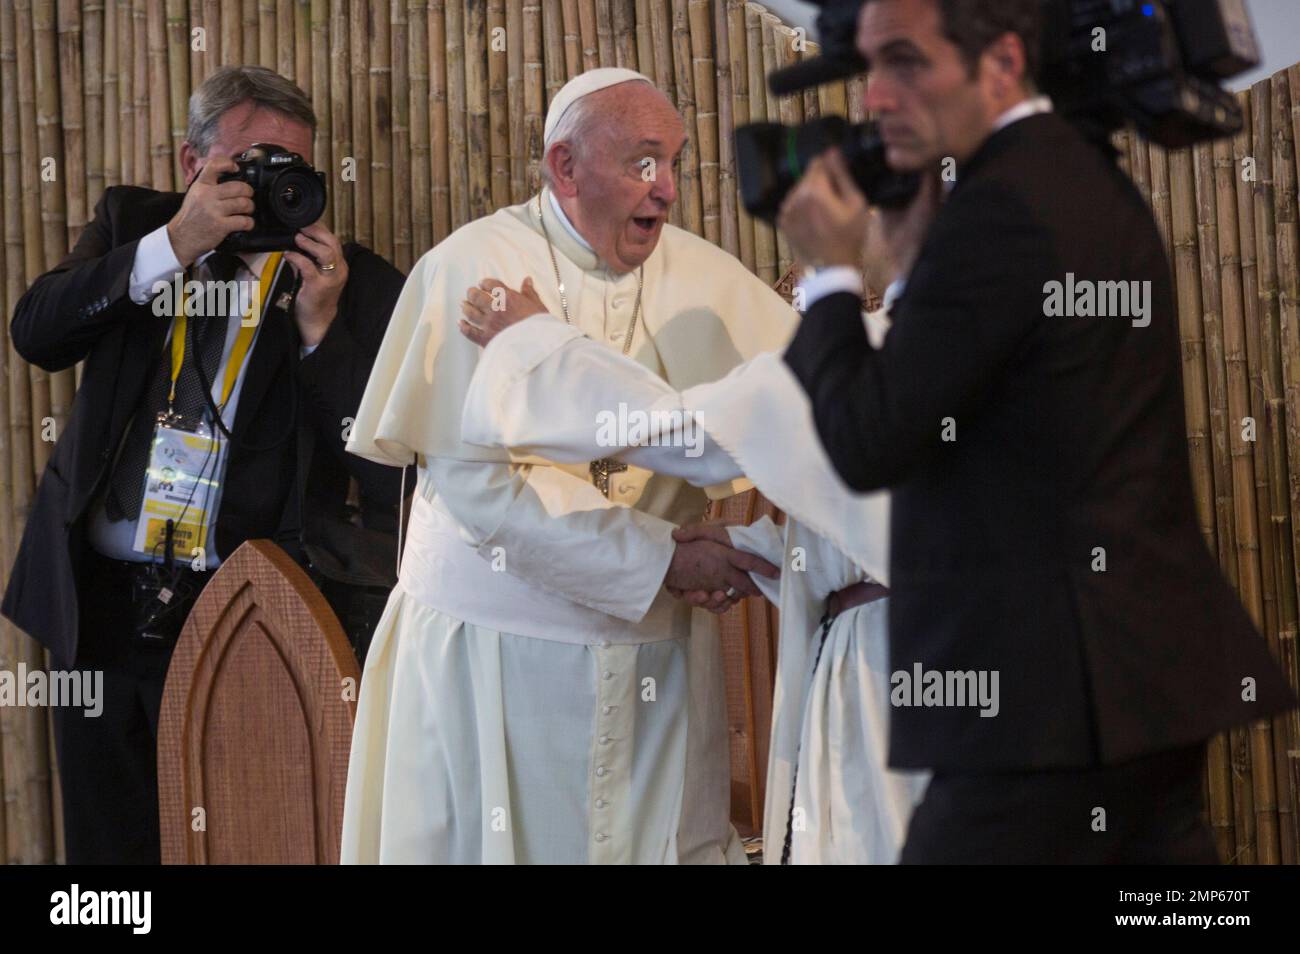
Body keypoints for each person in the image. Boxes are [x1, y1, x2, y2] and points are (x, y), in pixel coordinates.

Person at [776, 0, 1296, 862]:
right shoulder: (1076, 178)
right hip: (1133, 686)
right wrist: (908, 272)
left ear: (1002, 64)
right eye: (870, 67)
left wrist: (829, 276)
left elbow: (873, 438)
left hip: (1040, 704)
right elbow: (982, 398)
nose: (876, 97)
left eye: (906, 61)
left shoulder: (1000, 208)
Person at [341, 68, 795, 864]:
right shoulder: (474, 270)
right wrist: (659, 559)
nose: (669, 191)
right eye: (645, 163)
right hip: (498, 661)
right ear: (565, 166)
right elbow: (482, 492)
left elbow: (796, 422)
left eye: (677, 163)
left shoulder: (700, 276)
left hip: (657, 658)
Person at [2, 65, 406, 864]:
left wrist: (321, 334)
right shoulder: (134, 227)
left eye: (295, 172)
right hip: (101, 615)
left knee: (243, 838)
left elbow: (387, 471)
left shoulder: (348, 284)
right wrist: (174, 245)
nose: (273, 189)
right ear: (194, 165)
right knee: (107, 860)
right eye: (254, 166)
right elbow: (37, 333)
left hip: (250, 617)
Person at [457, 277, 930, 863]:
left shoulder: (914, 349)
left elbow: (685, 433)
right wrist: (754, 551)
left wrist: (532, 348)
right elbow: (891, 528)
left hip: (896, 669)